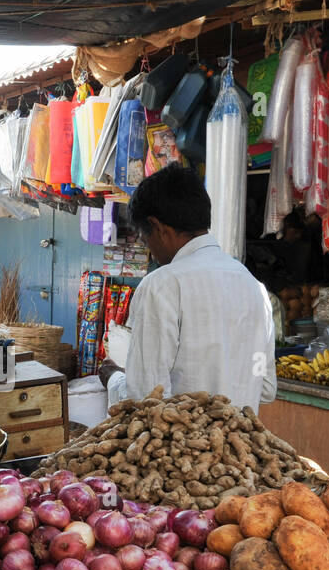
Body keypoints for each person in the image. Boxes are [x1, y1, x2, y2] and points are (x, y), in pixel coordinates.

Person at [99, 164, 277, 413]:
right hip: (243, 447)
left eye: (143, 236)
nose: (149, 248)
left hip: (181, 449)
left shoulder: (163, 285)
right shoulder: (255, 288)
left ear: (159, 228)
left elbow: (146, 396)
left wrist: (113, 379)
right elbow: (266, 387)